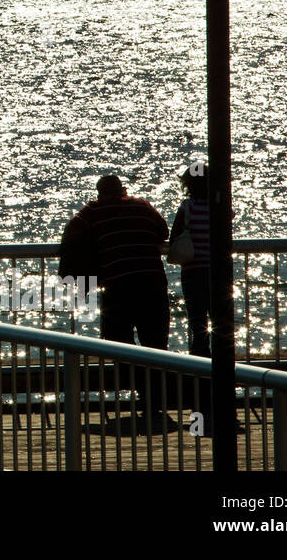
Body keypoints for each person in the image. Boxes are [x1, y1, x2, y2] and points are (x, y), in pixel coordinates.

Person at [61, 174, 172, 428]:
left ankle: (138, 390)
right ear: (123, 190)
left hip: (119, 285)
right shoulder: (142, 205)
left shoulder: (92, 211)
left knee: (118, 344)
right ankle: (153, 402)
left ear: (99, 193)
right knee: (155, 344)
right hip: (152, 282)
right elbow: (162, 230)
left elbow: (72, 233)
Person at [170, 163, 211, 357]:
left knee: (197, 319)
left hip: (193, 270)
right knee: (219, 318)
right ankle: (220, 357)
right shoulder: (219, 208)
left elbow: (174, 236)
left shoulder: (187, 207)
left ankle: (200, 356)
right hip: (216, 270)